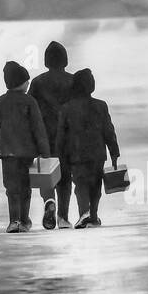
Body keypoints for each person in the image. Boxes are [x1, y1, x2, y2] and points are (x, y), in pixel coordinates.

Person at [0, 60, 50, 233]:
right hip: (27, 153)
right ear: (20, 82)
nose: (28, 83)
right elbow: (38, 128)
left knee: (12, 188)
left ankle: (14, 221)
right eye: (26, 81)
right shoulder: (30, 102)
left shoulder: (0, 102)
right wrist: (44, 151)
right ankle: (25, 220)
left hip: (7, 153)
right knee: (25, 188)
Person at [57, 68, 120, 229]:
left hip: (76, 155)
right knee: (96, 185)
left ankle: (84, 213)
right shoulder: (100, 105)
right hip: (97, 154)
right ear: (91, 86)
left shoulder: (66, 108)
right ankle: (93, 215)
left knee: (80, 184)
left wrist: (60, 156)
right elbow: (108, 130)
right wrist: (114, 151)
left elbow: (61, 136)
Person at [28, 40, 74, 230]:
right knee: (65, 177)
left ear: (46, 61)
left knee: (47, 173)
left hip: (45, 135)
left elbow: (29, 107)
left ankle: (49, 201)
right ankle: (63, 216)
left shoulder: (38, 83)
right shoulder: (73, 81)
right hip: (68, 136)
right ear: (65, 60)